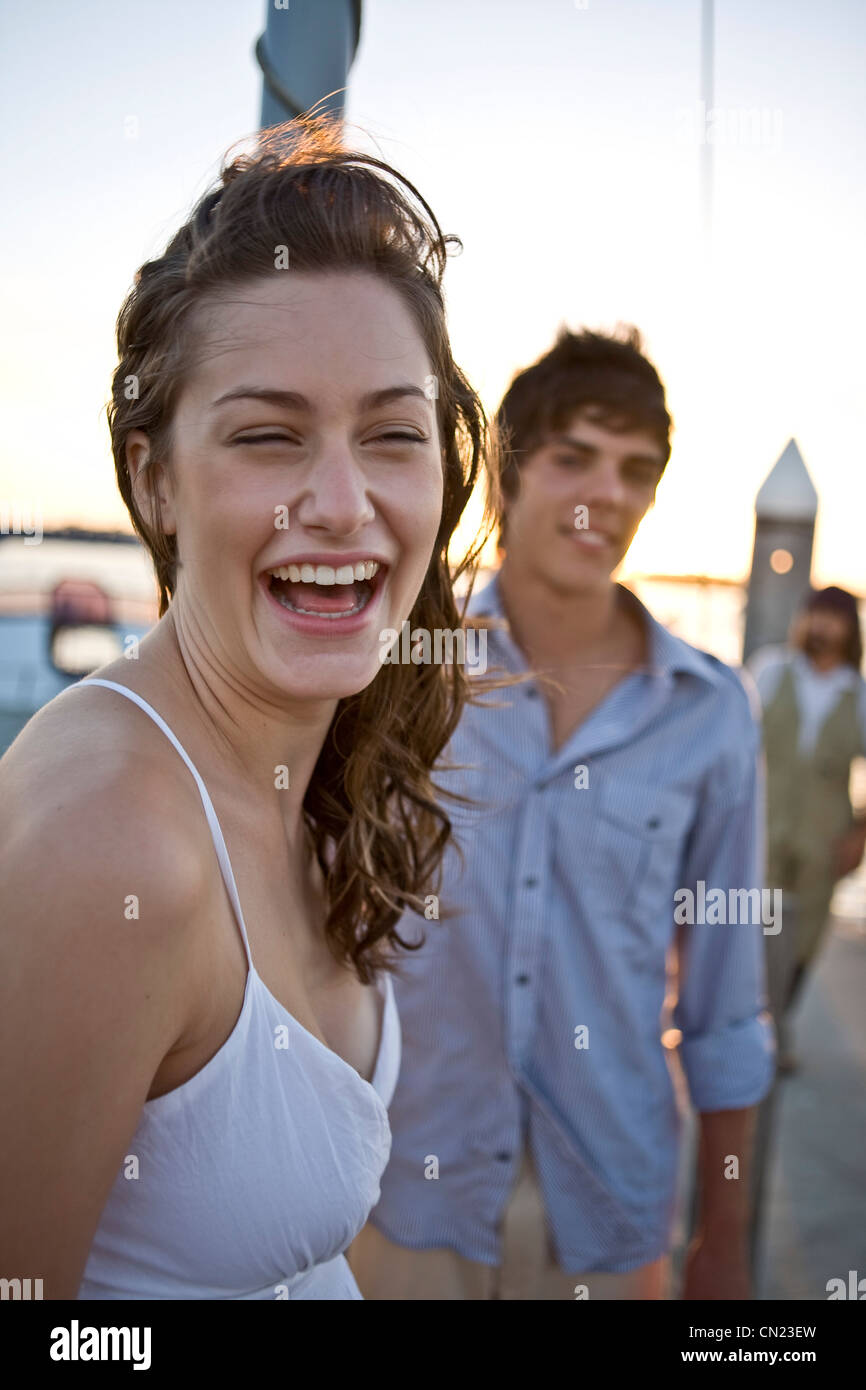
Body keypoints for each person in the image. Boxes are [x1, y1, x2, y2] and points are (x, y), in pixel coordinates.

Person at [0, 117, 496, 1299]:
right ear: (152, 478)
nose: (340, 501)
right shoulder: (112, 843)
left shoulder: (310, 764)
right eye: (269, 437)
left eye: (391, 435)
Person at [348, 326, 775, 1300]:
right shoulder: (398, 676)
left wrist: (722, 1237)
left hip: (610, 1204)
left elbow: (723, 1004)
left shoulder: (708, 716)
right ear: (508, 474)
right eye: (573, 456)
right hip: (404, 1189)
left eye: (635, 469)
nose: (607, 493)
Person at [747, 586, 866, 1072]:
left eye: (832, 619)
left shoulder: (857, 696)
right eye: (813, 615)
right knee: (747, 930)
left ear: (850, 629)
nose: (820, 627)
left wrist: (860, 832)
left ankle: (777, 1027)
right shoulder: (770, 672)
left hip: (823, 842)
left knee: (803, 942)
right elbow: (734, 744)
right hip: (760, 829)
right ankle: (746, 1029)